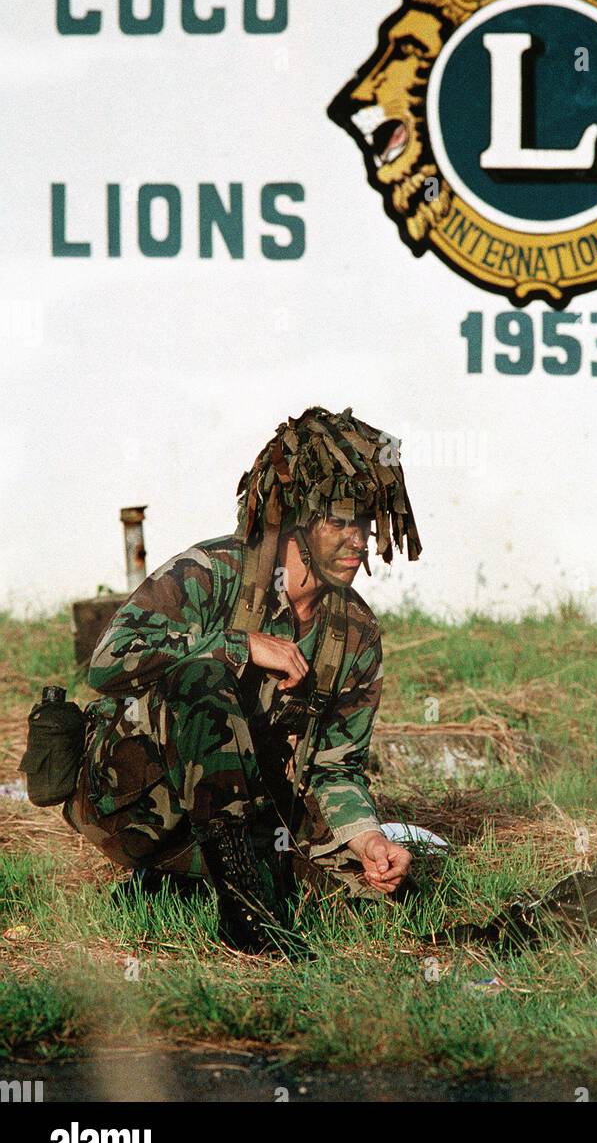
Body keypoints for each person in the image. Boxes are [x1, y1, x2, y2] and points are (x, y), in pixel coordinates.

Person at [62, 405, 422, 954]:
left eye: (365, 523)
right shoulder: (212, 572)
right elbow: (108, 661)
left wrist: (366, 836)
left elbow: (334, 767)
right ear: (299, 518)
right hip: (131, 793)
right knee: (205, 678)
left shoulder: (354, 633)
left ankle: (186, 883)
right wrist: (239, 646)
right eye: (340, 522)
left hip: (248, 811)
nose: (359, 540)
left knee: (378, 895)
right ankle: (246, 917)